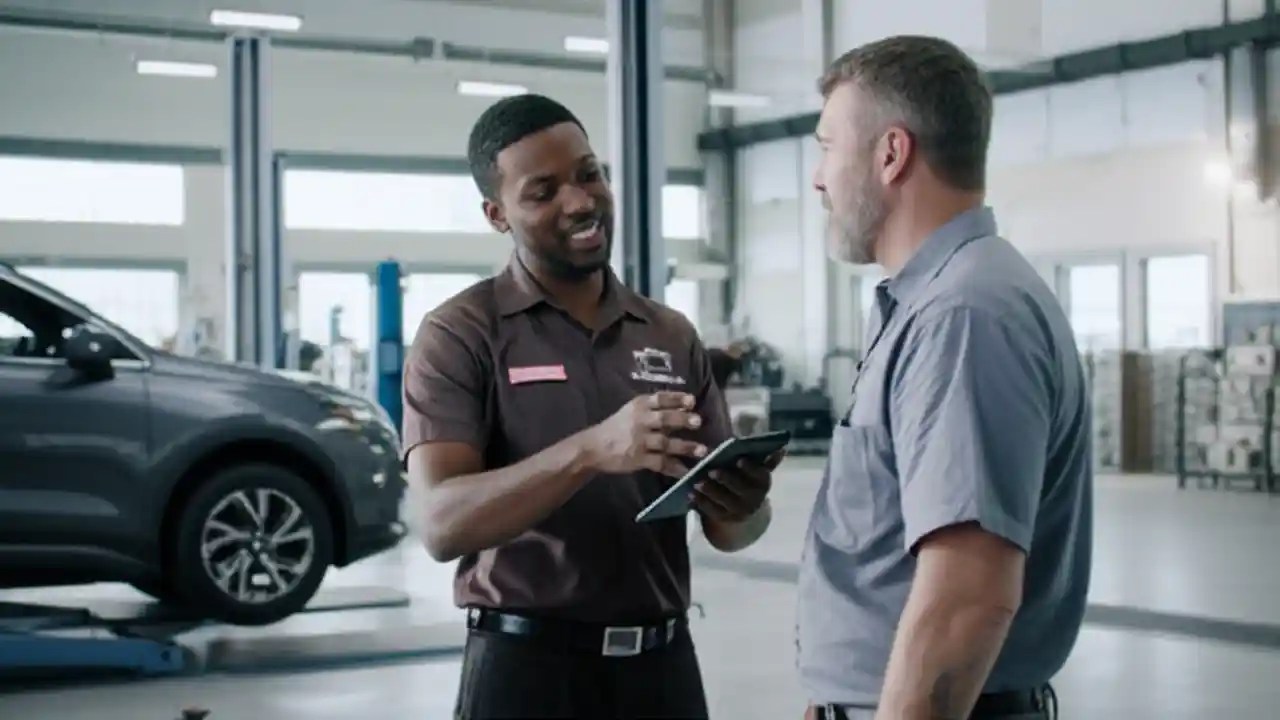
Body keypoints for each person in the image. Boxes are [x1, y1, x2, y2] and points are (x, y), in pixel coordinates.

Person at [401, 93, 782, 720]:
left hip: (663, 671)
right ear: (497, 214)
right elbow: (442, 524)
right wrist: (590, 450)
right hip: (526, 674)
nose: (579, 201)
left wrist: (743, 506)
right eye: (542, 191)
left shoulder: (668, 333)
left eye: (589, 174)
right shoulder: (462, 334)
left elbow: (734, 533)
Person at [798, 36, 1091, 720]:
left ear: (891, 154)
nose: (817, 179)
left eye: (826, 147)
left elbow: (968, 597)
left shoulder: (964, 316)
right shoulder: (931, 304)